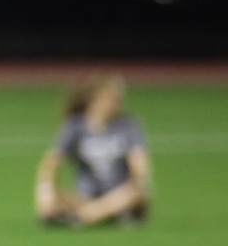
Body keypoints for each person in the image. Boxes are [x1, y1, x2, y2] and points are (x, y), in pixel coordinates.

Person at [34, 73, 151, 225]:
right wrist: (45, 192)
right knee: (51, 199)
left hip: (119, 195)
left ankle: (84, 216)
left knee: (135, 192)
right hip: (85, 197)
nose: (119, 102)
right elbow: (52, 161)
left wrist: (140, 181)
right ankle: (101, 213)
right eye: (114, 97)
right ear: (97, 99)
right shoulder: (75, 125)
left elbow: (139, 163)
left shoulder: (127, 125)